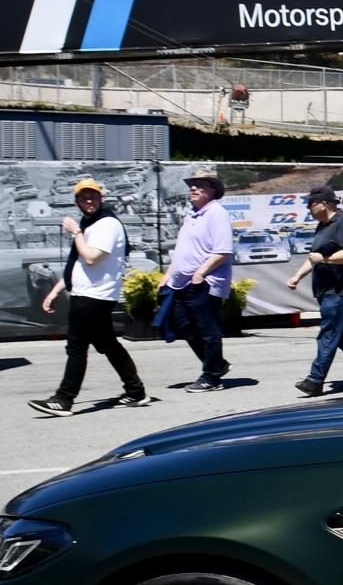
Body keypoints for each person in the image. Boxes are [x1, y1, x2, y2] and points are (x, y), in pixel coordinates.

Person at [29, 178, 149, 415]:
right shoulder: (91, 225)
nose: (89, 200)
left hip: (94, 296)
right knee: (108, 344)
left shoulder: (106, 224)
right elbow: (80, 266)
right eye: (84, 197)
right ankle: (136, 391)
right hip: (88, 294)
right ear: (77, 202)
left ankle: (64, 399)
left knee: (76, 346)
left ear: (101, 198)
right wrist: (55, 291)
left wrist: (75, 233)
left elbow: (92, 257)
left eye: (93, 196)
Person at [285, 186, 343, 397]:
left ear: (324, 203)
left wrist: (325, 260)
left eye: (311, 203)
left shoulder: (342, 223)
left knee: (328, 334)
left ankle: (315, 380)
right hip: (325, 290)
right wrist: (297, 276)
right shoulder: (322, 226)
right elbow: (313, 258)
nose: (308, 207)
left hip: (339, 290)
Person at [162, 166, 236, 393]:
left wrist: (201, 273)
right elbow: (183, 249)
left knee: (207, 329)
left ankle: (212, 377)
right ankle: (216, 364)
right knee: (181, 323)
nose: (193, 188)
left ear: (212, 190)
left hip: (204, 282)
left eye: (199, 184)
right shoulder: (192, 214)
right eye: (192, 185)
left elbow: (223, 251)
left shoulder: (216, 214)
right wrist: (167, 275)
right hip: (182, 283)